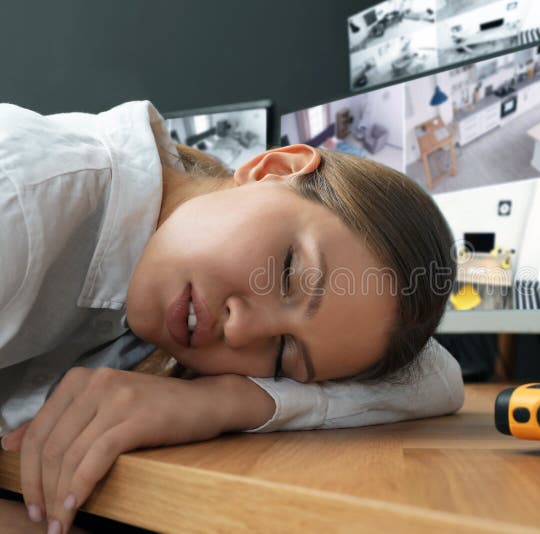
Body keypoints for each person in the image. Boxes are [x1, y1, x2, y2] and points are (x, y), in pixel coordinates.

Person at [0, 101, 464, 534]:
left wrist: (220, 402)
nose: (243, 332)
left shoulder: (169, 262)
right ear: (274, 169)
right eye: (286, 273)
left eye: (284, 354)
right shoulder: (22, 200)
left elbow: (438, 380)